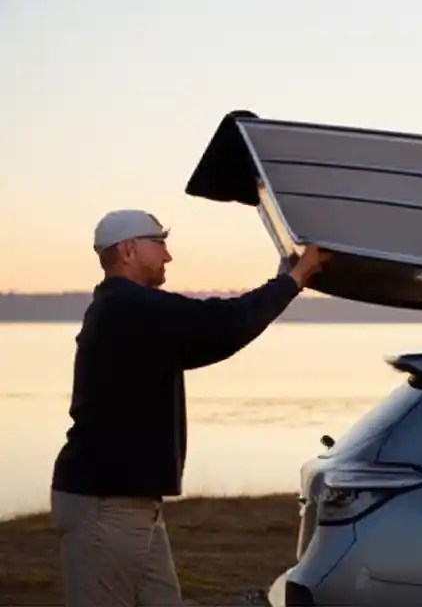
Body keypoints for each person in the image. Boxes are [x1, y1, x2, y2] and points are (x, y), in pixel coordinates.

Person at [49, 209, 329, 606]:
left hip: (132, 505)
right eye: (159, 244)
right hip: (105, 505)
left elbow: (215, 334)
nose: (168, 256)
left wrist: (286, 276)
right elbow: (223, 323)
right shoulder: (129, 308)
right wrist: (294, 279)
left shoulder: (131, 312)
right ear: (128, 250)